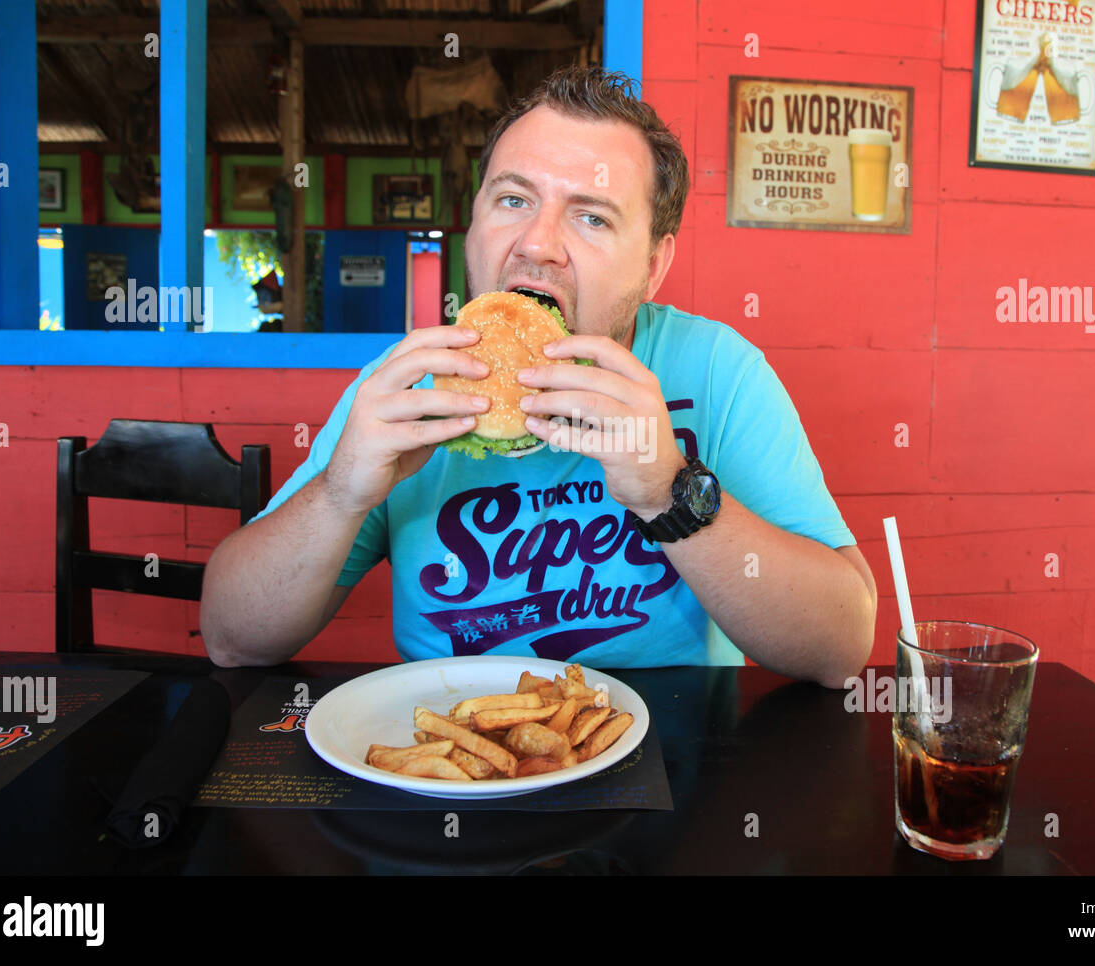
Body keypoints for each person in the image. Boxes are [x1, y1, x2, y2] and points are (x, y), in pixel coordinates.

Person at [201, 65, 876, 686]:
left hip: (676, 769)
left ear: (653, 266)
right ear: (471, 227)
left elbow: (841, 648)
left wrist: (669, 492)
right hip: (454, 770)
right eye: (513, 200)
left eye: (591, 216)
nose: (536, 244)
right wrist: (339, 493)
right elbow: (233, 640)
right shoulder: (408, 383)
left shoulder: (718, 369)